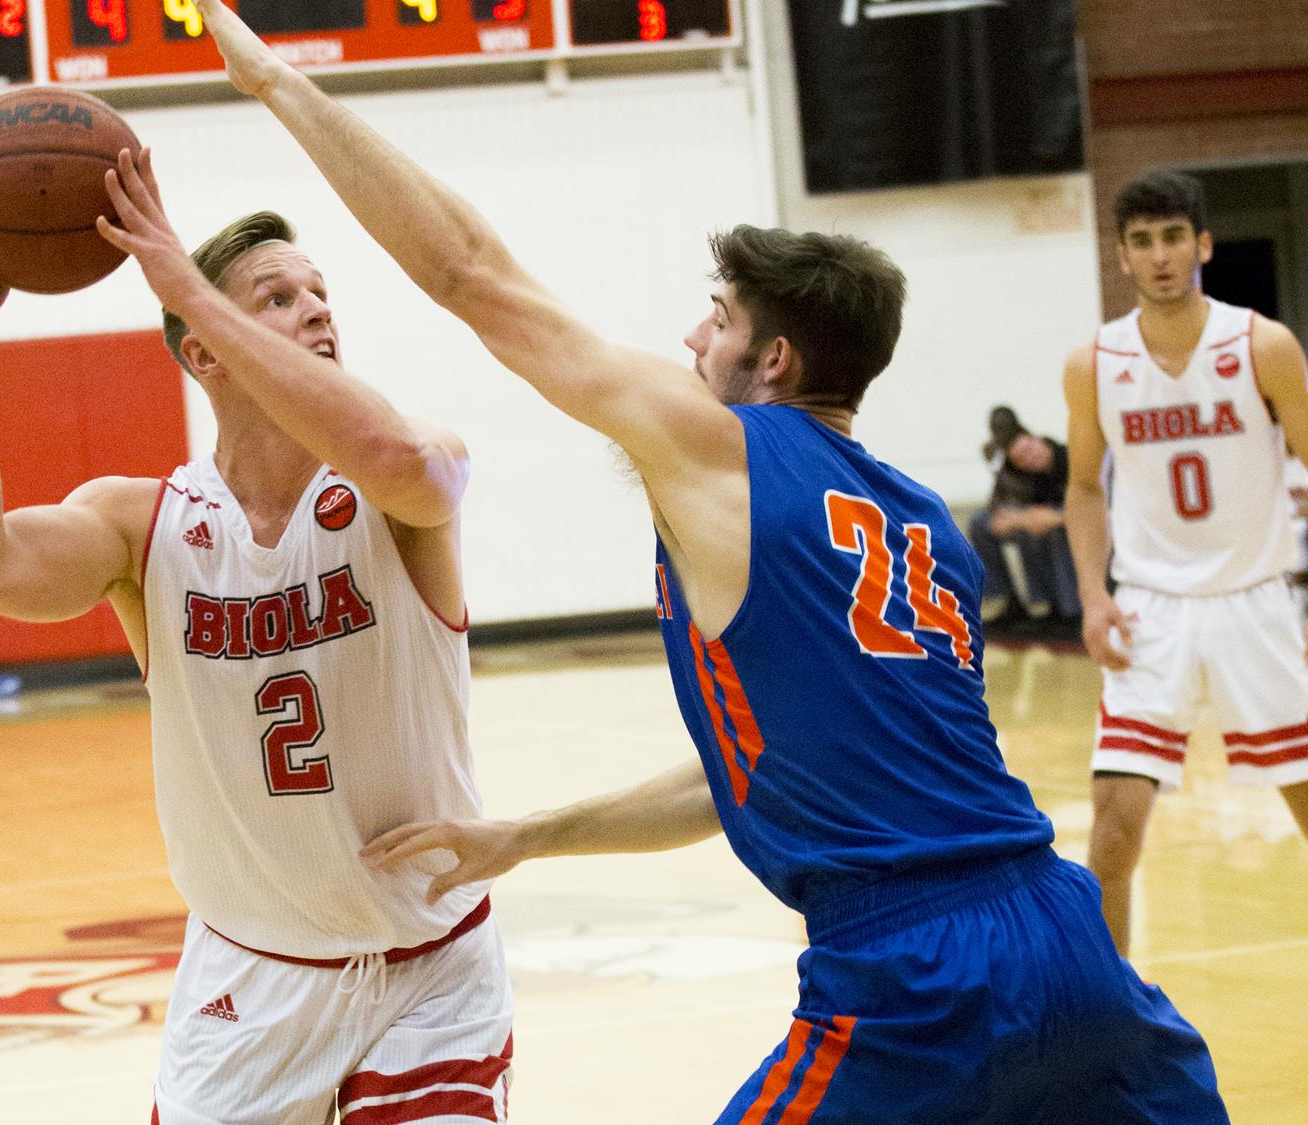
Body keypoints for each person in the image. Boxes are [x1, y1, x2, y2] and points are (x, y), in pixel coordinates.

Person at [186, 2, 1227, 1120]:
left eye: (715, 320)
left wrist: (279, 88)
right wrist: (529, 838)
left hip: (908, 973)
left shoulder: (725, 451)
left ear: (770, 360)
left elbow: (470, 276)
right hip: (1063, 937)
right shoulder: (928, 524)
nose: (689, 342)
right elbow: (757, 769)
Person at [0, 169, 514, 1121]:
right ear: (204, 353)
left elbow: (403, 463)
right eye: (277, 297)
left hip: (428, 969)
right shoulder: (142, 524)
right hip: (250, 975)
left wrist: (185, 285)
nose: (315, 308)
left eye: (319, 293)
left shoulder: (402, 472)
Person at [1061, 169, 1308, 956]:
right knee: (1112, 830)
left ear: (1202, 244)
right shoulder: (1094, 362)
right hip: (1152, 610)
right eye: (1142, 241)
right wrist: (1093, 598)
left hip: (1257, 602)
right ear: (1123, 258)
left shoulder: (1261, 345)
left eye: (1174, 237)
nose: (1160, 255)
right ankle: (1106, 1015)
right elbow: (1081, 489)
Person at [968, 405, 1078, 636]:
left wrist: (1051, 517)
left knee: (1047, 532)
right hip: (1039, 520)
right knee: (982, 523)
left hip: (1074, 522)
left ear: (1038, 439)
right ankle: (1009, 602)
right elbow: (998, 506)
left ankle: (1070, 611)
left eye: (1030, 449)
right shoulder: (1015, 470)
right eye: (1020, 458)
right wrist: (1020, 518)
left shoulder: (1069, 458)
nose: (1029, 457)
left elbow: (1094, 506)